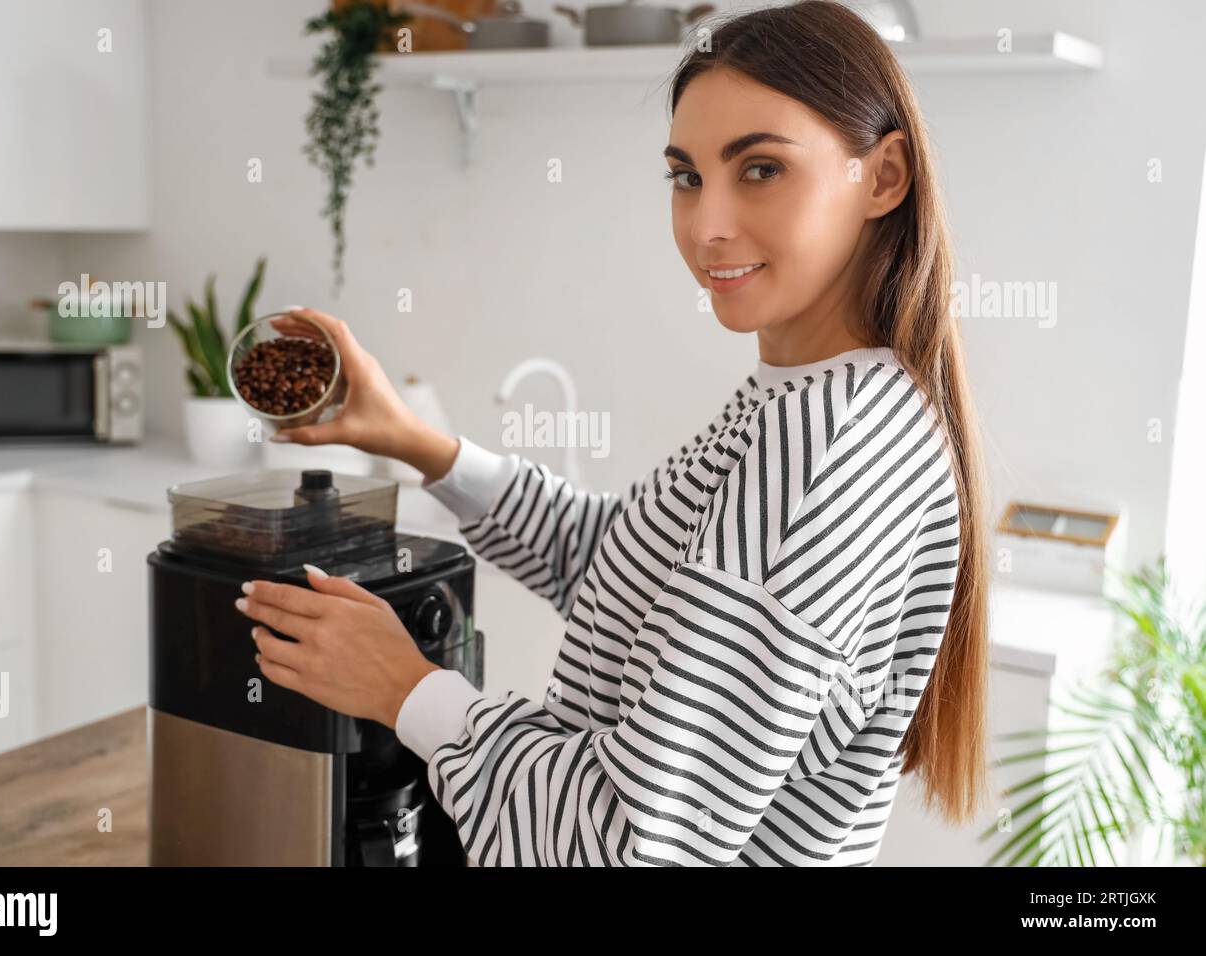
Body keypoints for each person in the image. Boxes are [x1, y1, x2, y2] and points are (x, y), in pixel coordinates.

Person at [233, 0, 990, 866]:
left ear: (883, 177)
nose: (708, 226)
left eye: (762, 170)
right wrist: (418, 444)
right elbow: (622, 568)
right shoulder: (818, 402)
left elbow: (625, 846)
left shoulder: (821, 452)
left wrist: (410, 691)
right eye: (686, 175)